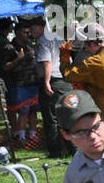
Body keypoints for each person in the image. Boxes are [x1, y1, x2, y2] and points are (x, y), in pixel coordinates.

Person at [27, 14, 74, 156]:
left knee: (51, 117)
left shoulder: (43, 41)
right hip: (64, 80)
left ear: (40, 28)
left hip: (53, 80)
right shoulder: (57, 37)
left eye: (32, 28)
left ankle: (55, 151)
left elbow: (47, 62)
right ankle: (74, 148)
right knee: (68, 114)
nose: (30, 32)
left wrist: (46, 82)